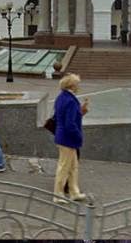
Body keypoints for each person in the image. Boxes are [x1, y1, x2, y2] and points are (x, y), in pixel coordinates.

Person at [52, 73, 90, 204]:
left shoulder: (61, 98)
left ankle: (74, 192)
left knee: (73, 166)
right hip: (68, 139)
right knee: (64, 167)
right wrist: (78, 136)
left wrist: (80, 111)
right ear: (72, 86)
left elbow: (58, 117)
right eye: (77, 84)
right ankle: (58, 194)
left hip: (61, 136)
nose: (78, 86)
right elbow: (70, 124)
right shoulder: (71, 101)